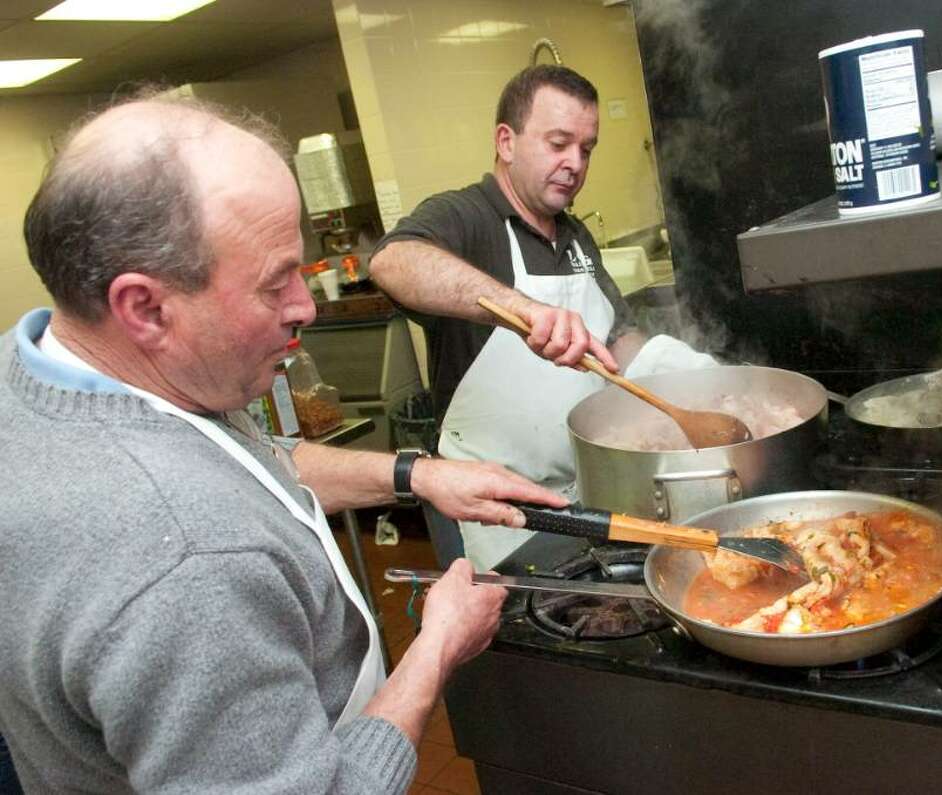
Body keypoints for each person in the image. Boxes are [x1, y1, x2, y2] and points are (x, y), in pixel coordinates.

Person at [0, 91, 569, 793]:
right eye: (275, 285)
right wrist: (437, 647)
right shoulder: (190, 558)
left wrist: (416, 475)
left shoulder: (40, 368)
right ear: (144, 307)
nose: (305, 305)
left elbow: (239, 465)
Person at [370, 65, 716, 570]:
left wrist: (699, 377)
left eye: (586, 148)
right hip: (499, 514)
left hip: (584, 497)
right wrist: (523, 309)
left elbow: (616, 339)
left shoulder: (575, 236)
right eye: (558, 143)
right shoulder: (468, 217)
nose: (574, 163)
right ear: (506, 142)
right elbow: (392, 261)